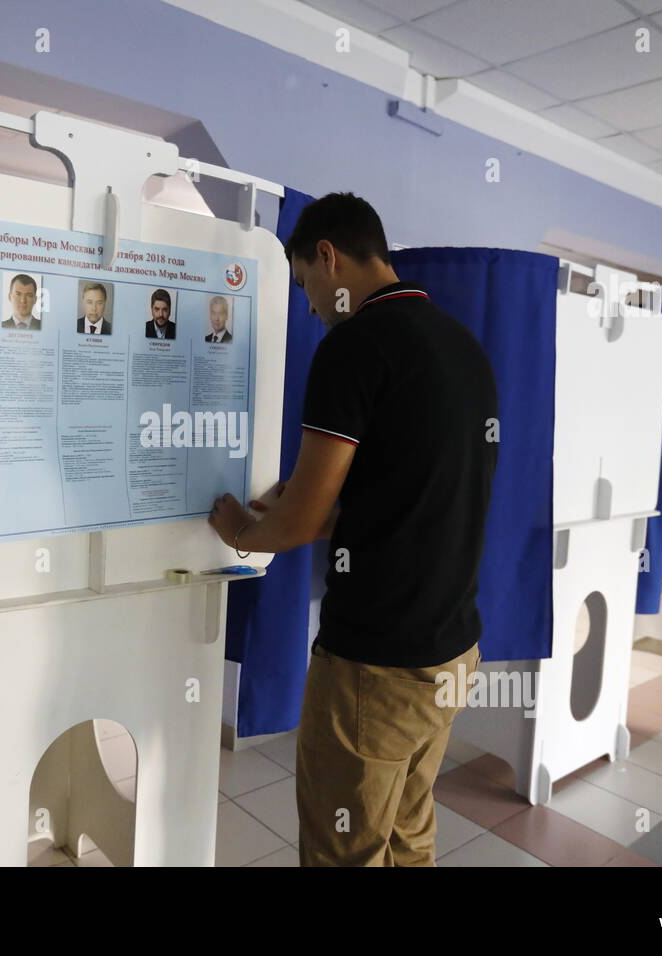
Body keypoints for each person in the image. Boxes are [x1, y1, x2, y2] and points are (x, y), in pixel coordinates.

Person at [208, 192, 498, 867]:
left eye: (307, 282)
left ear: (329, 257)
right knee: (407, 834)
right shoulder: (463, 346)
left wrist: (239, 530)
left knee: (346, 851)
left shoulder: (354, 345)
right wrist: (307, 498)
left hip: (379, 667)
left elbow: (304, 519)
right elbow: (409, 490)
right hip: (452, 653)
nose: (309, 304)